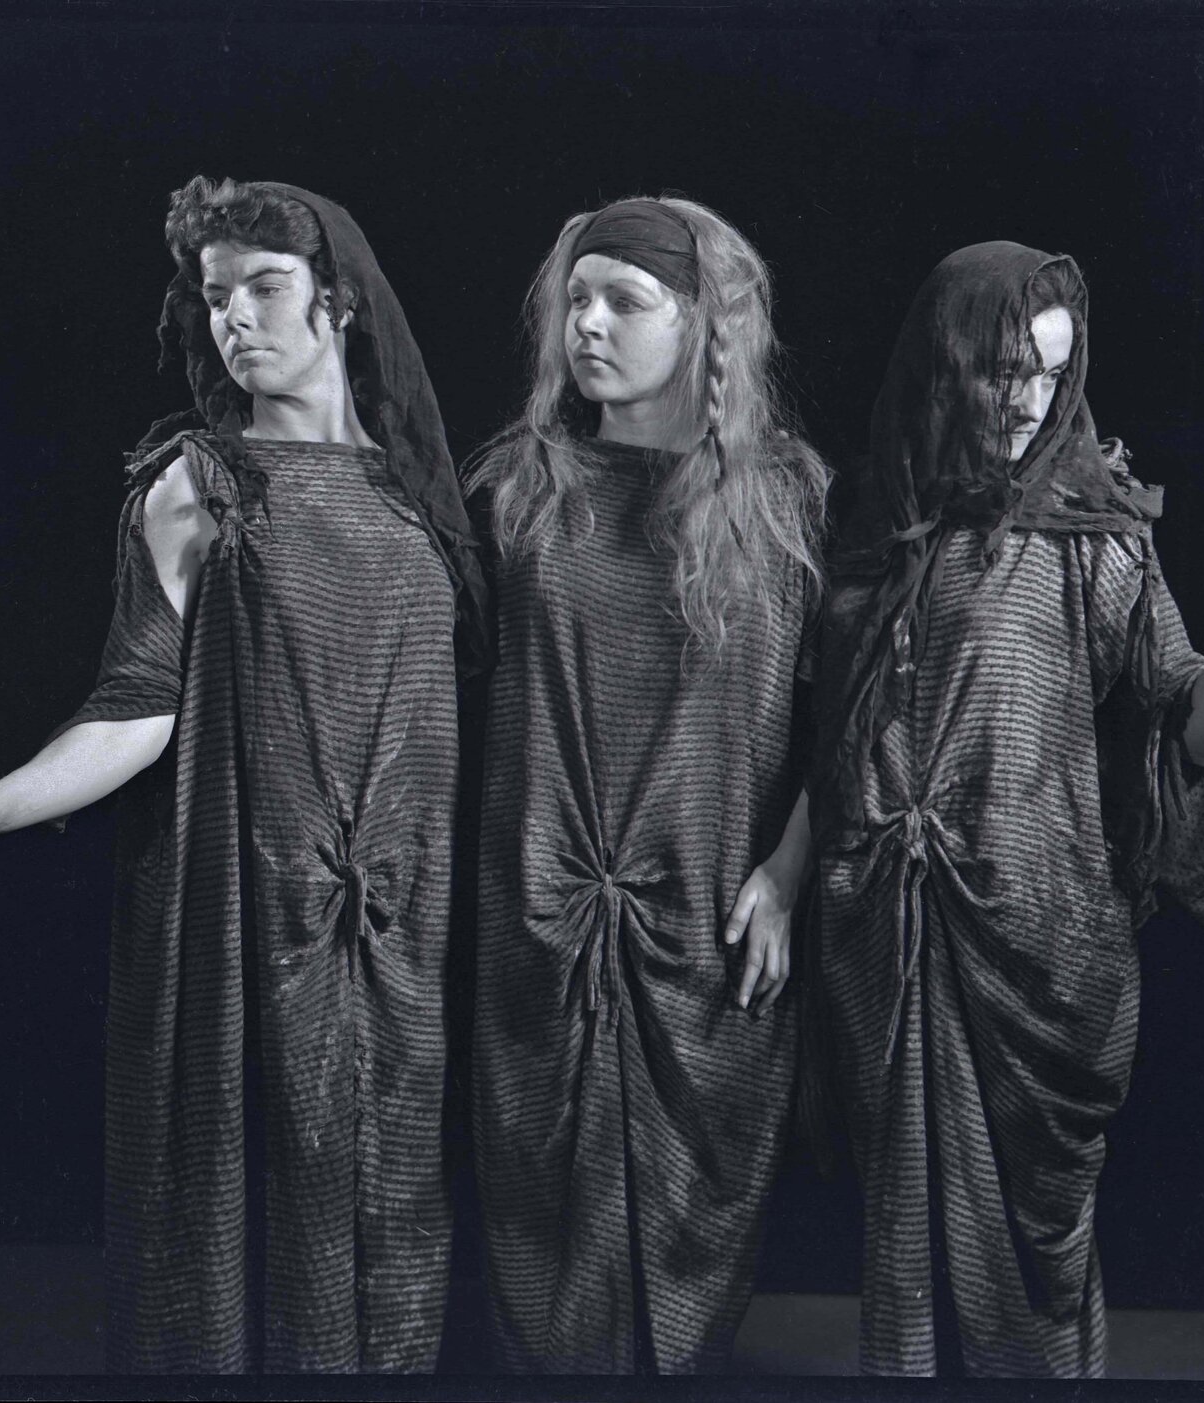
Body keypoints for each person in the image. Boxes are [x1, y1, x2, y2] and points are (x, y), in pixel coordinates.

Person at [0, 177, 489, 1373]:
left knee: (392, 1235)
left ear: (337, 301)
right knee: (249, 1231)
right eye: (214, 297)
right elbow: (140, 704)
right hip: (250, 910)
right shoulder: (197, 483)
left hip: (399, 932)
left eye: (262, 289)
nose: (233, 319)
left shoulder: (417, 494)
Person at [810, 243, 1204, 1378]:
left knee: (1040, 1250)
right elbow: (824, 734)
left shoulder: (1096, 534)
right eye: (999, 370)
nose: (1026, 401)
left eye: (1050, 372)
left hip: (1037, 951)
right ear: (942, 362)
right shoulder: (865, 522)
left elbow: (1188, 731)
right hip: (887, 944)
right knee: (904, 1243)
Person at [469, 196, 829, 1373]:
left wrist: (784, 873)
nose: (587, 324)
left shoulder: (784, 502)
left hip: (709, 931)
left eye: (624, 300)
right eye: (575, 299)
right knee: (541, 1256)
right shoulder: (517, 490)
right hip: (538, 922)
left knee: (689, 1256)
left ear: (704, 321)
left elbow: (853, 716)